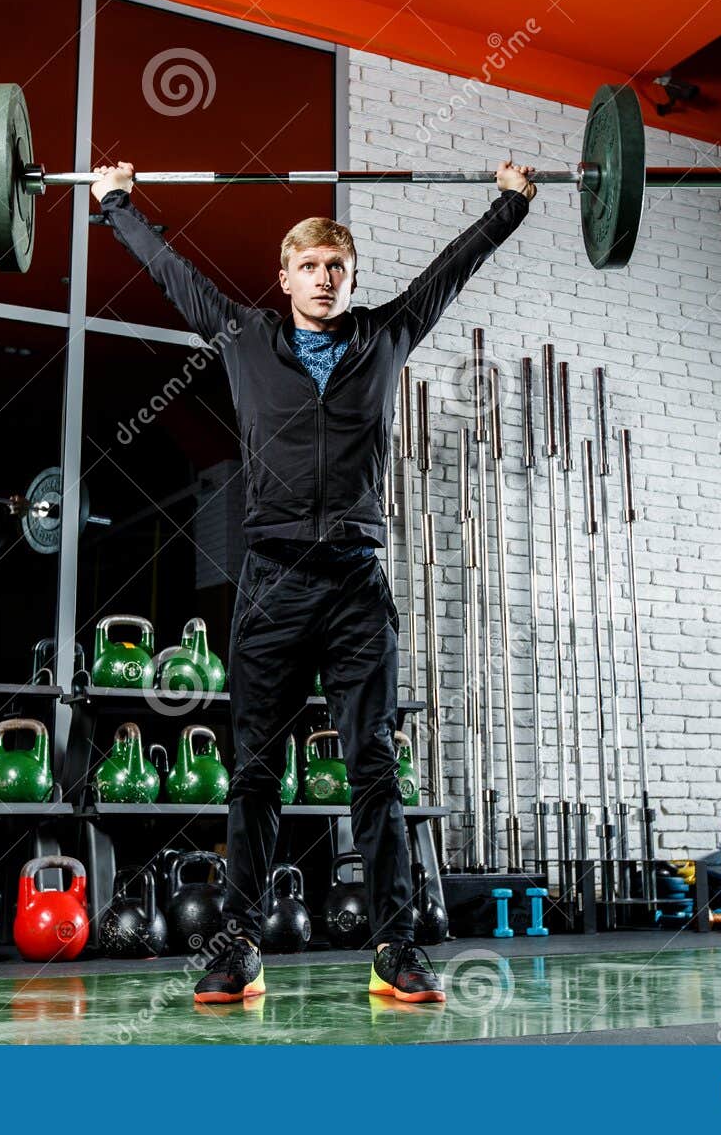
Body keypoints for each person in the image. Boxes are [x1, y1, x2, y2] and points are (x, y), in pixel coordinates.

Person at [92, 158, 535, 1004]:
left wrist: (507, 206)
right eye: (310, 266)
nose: (324, 278)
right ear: (284, 277)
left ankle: (395, 947)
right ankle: (238, 946)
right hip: (272, 582)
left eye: (338, 266)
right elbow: (174, 275)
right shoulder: (244, 337)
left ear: (352, 279)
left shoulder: (387, 336)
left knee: (374, 767)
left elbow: (451, 271)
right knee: (255, 772)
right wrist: (116, 203)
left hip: (357, 584)